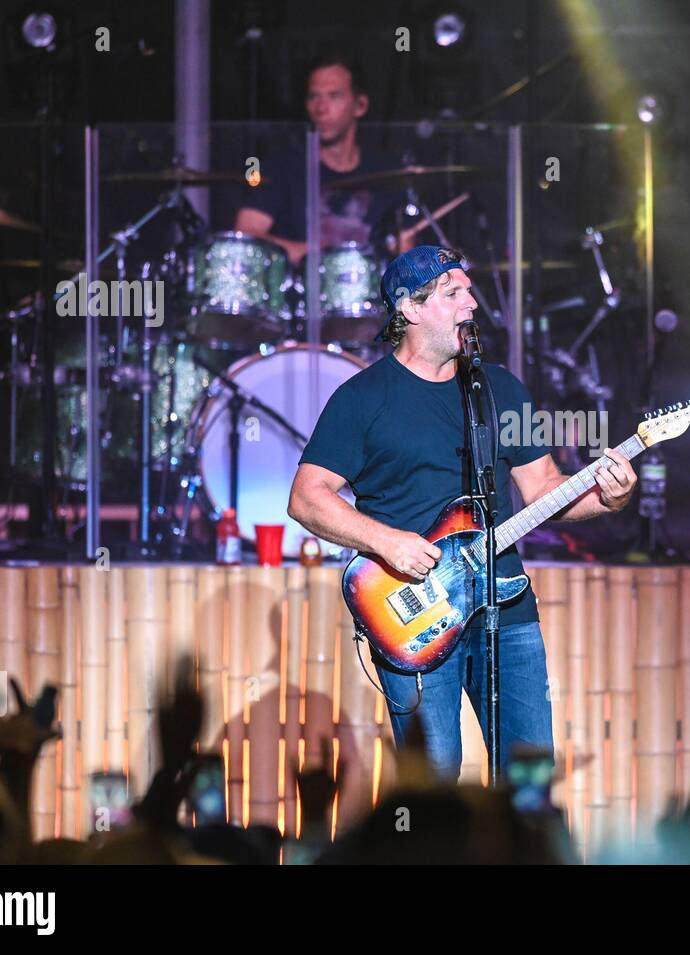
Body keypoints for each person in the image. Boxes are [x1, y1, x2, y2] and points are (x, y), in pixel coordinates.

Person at [287, 245, 637, 780]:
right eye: (453, 294)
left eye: (468, 291)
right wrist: (388, 542)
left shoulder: (500, 390)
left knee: (529, 782)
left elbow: (544, 487)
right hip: (417, 616)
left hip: (507, 609)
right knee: (433, 791)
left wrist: (609, 496)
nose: (471, 304)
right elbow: (308, 497)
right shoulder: (362, 398)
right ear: (409, 309)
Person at [234, 51, 409, 264]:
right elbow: (247, 233)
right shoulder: (283, 165)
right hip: (299, 291)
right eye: (313, 97)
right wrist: (315, 255)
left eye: (334, 96)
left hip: (371, 292)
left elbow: (405, 248)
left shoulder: (386, 169)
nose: (321, 108)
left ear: (360, 105)